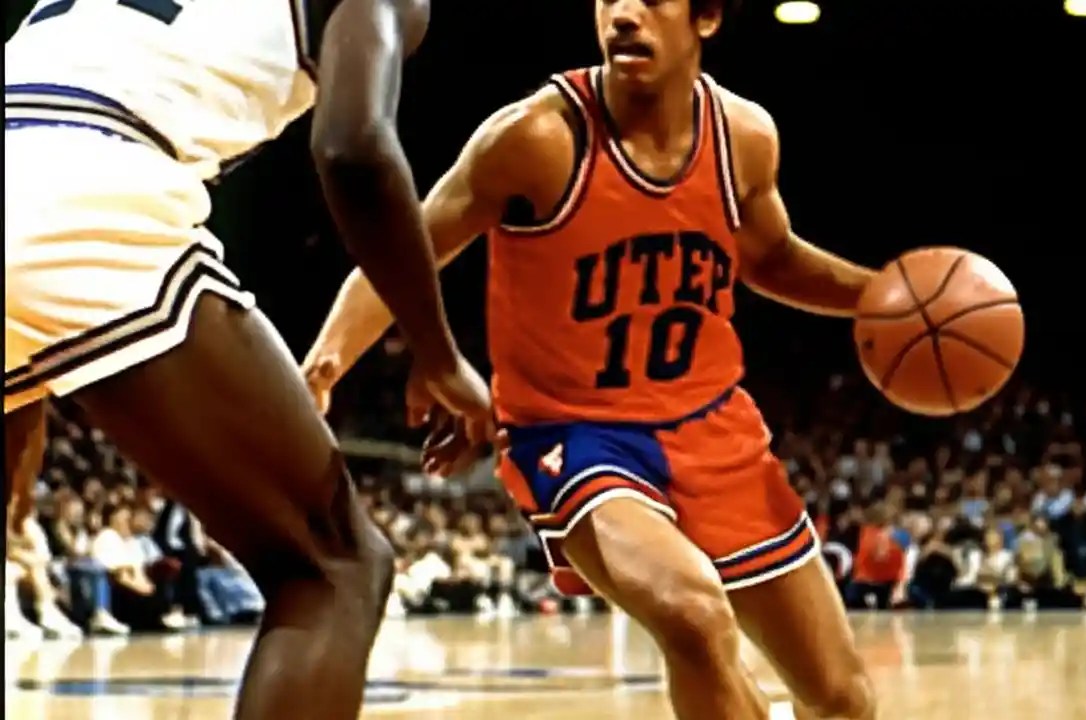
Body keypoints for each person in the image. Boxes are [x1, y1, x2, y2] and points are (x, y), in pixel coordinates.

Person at [304, 1, 878, 717]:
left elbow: (770, 257)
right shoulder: (536, 138)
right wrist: (325, 361)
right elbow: (403, 248)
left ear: (705, 18)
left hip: (712, 423)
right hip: (573, 435)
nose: (625, 15)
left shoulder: (745, 137)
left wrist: (886, 298)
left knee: (844, 699)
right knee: (693, 614)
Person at [5, 0, 490, 716]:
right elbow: (353, 149)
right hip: (88, 173)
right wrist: (437, 351)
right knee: (335, 567)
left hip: (34, 153)